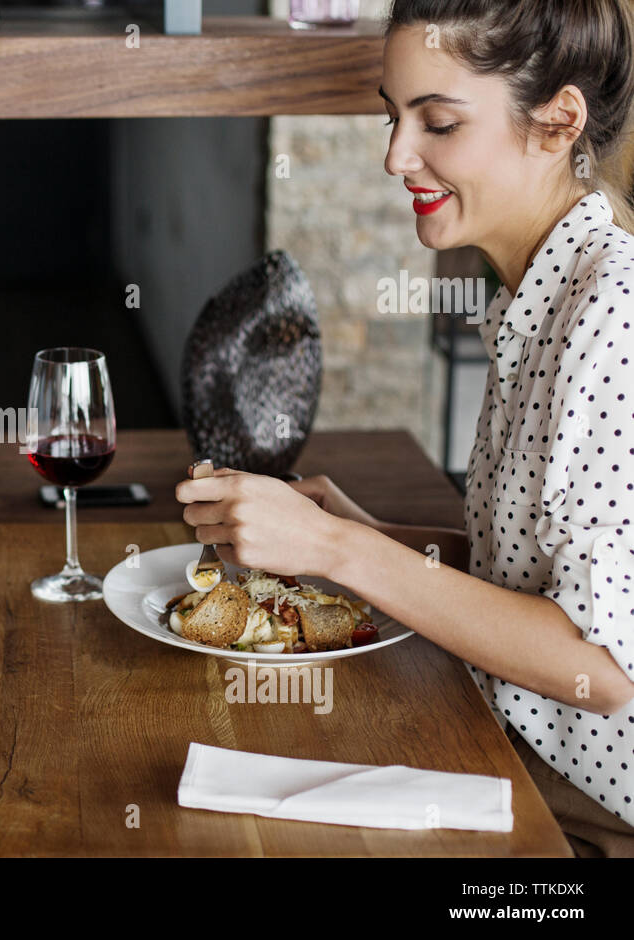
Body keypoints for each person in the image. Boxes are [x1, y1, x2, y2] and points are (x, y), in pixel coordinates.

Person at [176, 0, 634, 856]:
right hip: (508, 752)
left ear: (558, 122)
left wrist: (335, 551)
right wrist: (356, 529)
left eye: (440, 122)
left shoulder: (613, 319)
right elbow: (529, 575)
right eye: (393, 114)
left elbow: (602, 668)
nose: (396, 155)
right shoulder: (537, 293)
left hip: (587, 813)